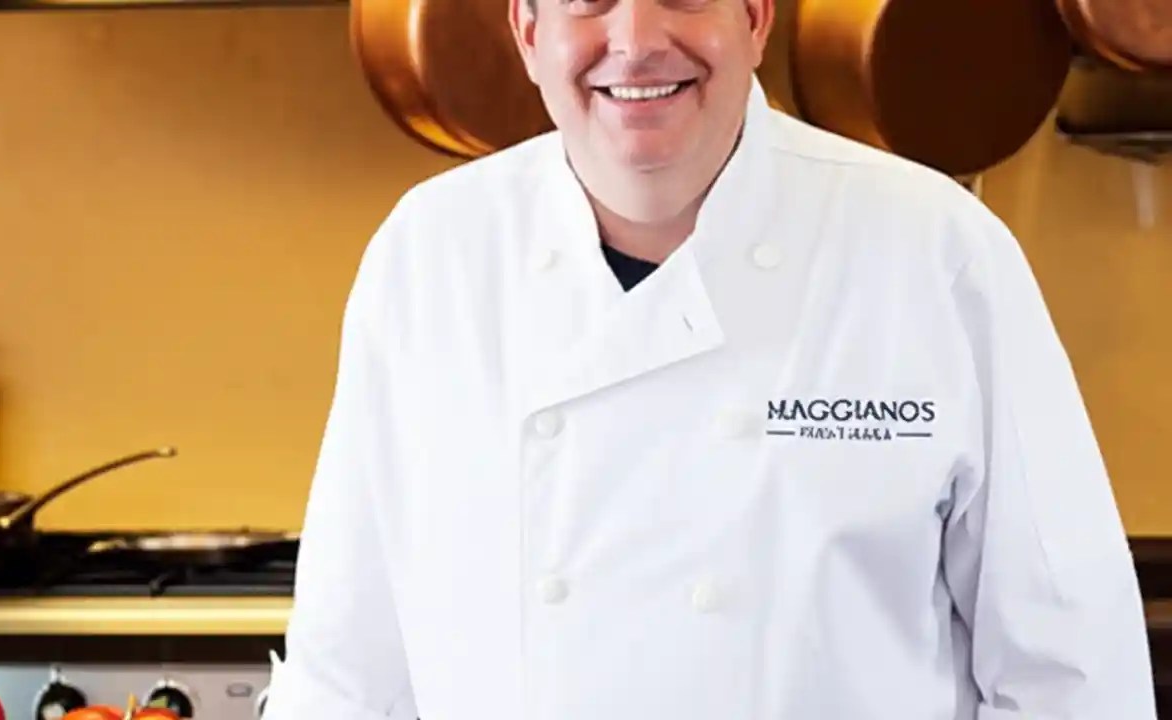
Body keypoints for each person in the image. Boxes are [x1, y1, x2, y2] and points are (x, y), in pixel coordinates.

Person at [262, 0, 1158, 716]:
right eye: (587, 1)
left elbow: (1072, 672)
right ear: (528, 31)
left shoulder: (935, 252)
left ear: (757, 18)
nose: (636, 40)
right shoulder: (432, 258)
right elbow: (347, 675)